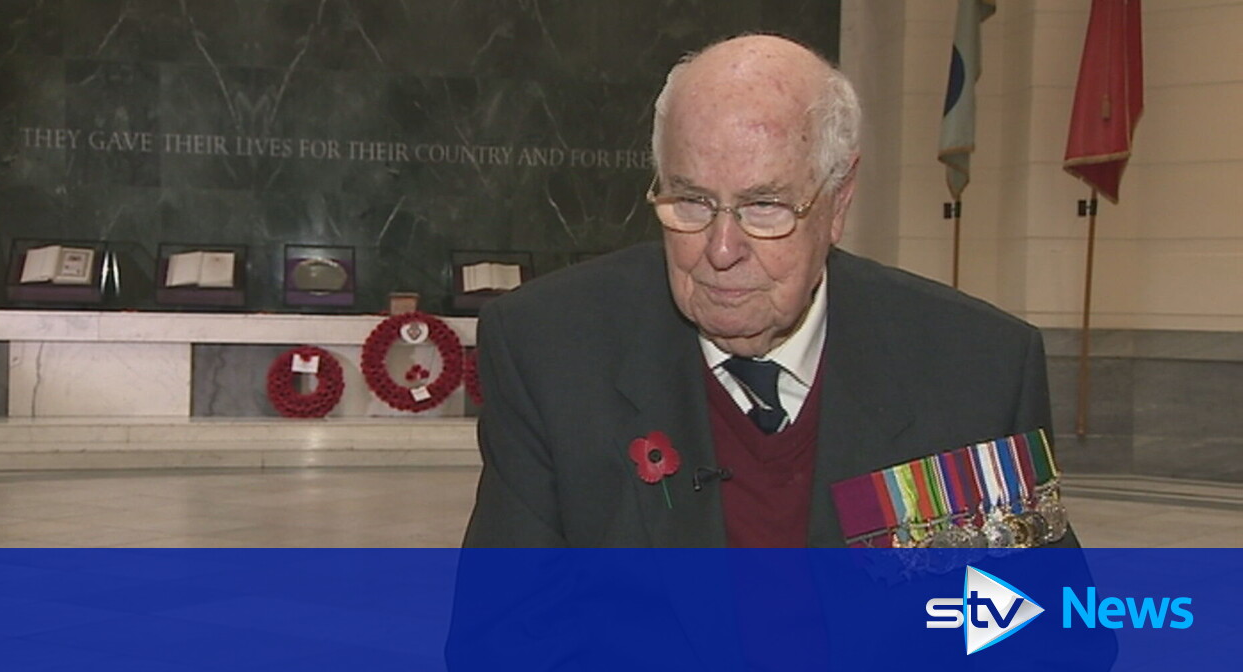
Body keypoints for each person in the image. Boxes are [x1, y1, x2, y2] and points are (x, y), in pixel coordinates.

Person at [460, 33, 1077, 549]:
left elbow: (1038, 634)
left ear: (838, 201)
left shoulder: (976, 368)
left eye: (765, 206)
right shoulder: (549, 348)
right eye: (692, 201)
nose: (721, 250)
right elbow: (506, 636)